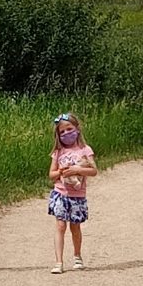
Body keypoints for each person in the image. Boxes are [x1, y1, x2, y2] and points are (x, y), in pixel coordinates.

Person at [48, 111, 96, 272]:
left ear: (77, 129)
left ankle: (77, 255)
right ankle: (58, 262)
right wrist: (62, 172)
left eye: (69, 129)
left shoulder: (85, 150)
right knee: (60, 226)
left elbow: (93, 171)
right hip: (61, 194)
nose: (66, 133)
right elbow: (51, 175)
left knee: (75, 227)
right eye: (62, 132)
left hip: (78, 196)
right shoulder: (58, 152)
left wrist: (77, 169)